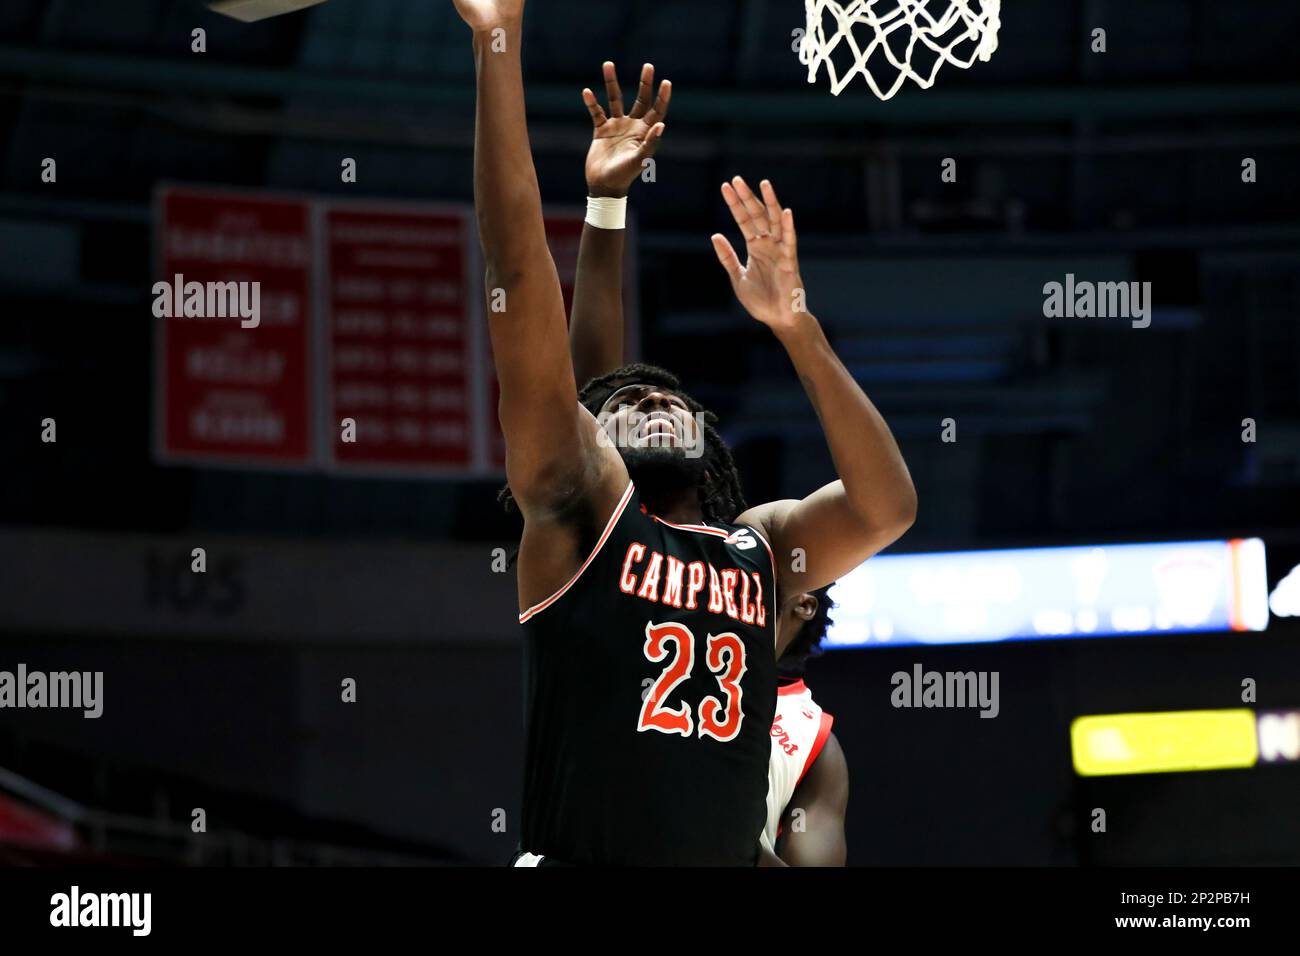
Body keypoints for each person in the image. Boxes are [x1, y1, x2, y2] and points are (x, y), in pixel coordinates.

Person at [453, 0, 916, 865]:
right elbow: (519, 273)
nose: (657, 402)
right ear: (594, 441)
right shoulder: (573, 509)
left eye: (673, 398)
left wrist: (796, 328)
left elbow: (885, 508)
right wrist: (497, 39)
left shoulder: (760, 547)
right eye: (627, 408)